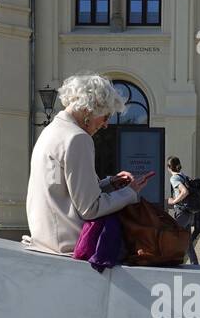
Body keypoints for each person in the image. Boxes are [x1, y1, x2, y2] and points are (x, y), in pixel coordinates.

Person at [23, 73, 150, 256]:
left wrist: (110, 183)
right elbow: (91, 208)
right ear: (91, 108)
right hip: (71, 243)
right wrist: (130, 192)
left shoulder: (51, 131)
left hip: (45, 238)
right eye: (106, 117)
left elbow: (64, 190)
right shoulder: (78, 138)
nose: (106, 125)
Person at [166, 156, 200, 265]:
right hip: (189, 212)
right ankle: (195, 263)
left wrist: (174, 201)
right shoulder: (184, 176)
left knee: (173, 235)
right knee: (187, 240)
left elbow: (184, 191)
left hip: (182, 211)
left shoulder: (174, 178)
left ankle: (171, 260)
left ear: (168, 167)